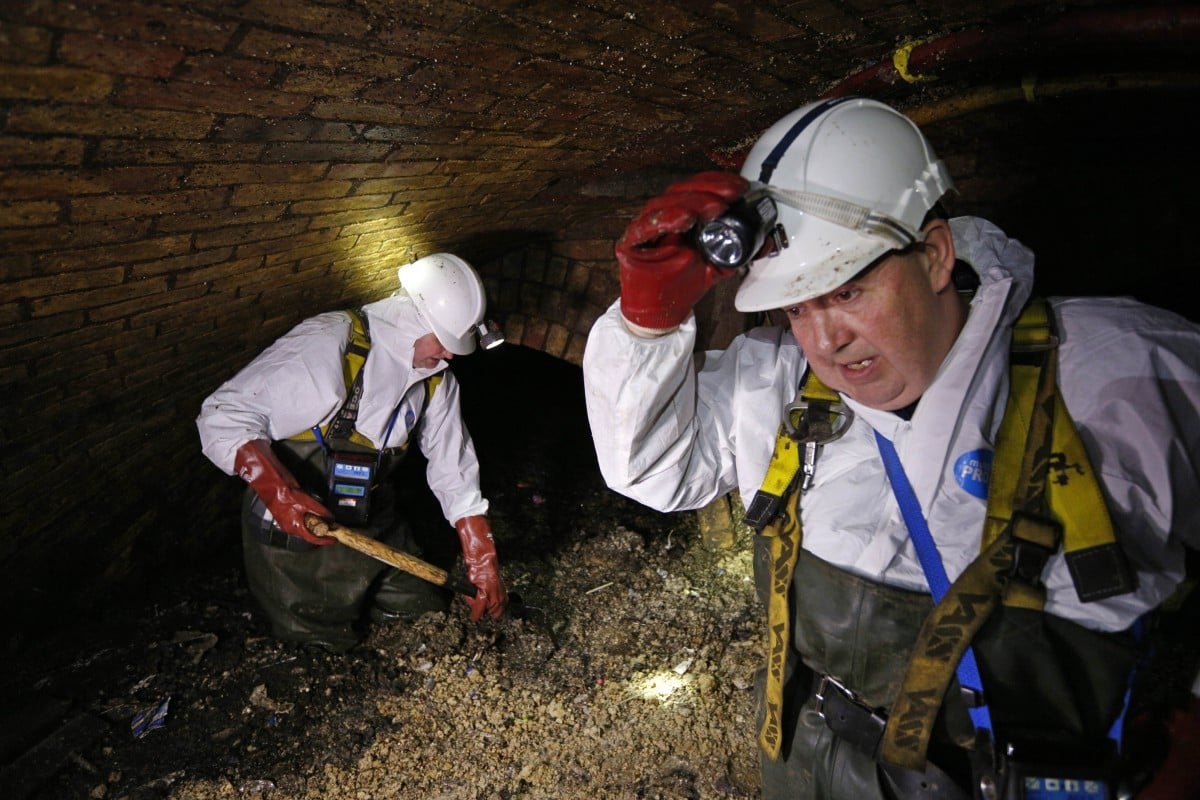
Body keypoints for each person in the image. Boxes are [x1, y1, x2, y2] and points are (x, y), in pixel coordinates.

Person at [582, 96, 1200, 799]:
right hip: (807, 763)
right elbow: (650, 470)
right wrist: (647, 324)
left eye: (846, 291)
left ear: (935, 254)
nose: (824, 342)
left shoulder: (1121, 375)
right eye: (796, 307)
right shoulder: (780, 384)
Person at [198, 252, 509, 653]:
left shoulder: (436, 381)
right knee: (320, 651)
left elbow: (454, 465)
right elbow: (222, 416)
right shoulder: (332, 341)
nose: (449, 355)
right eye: (444, 342)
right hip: (299, 538)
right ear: (414, 318)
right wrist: (280, 494)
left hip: (371, 523)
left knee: (426, 615)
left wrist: (481, 554)